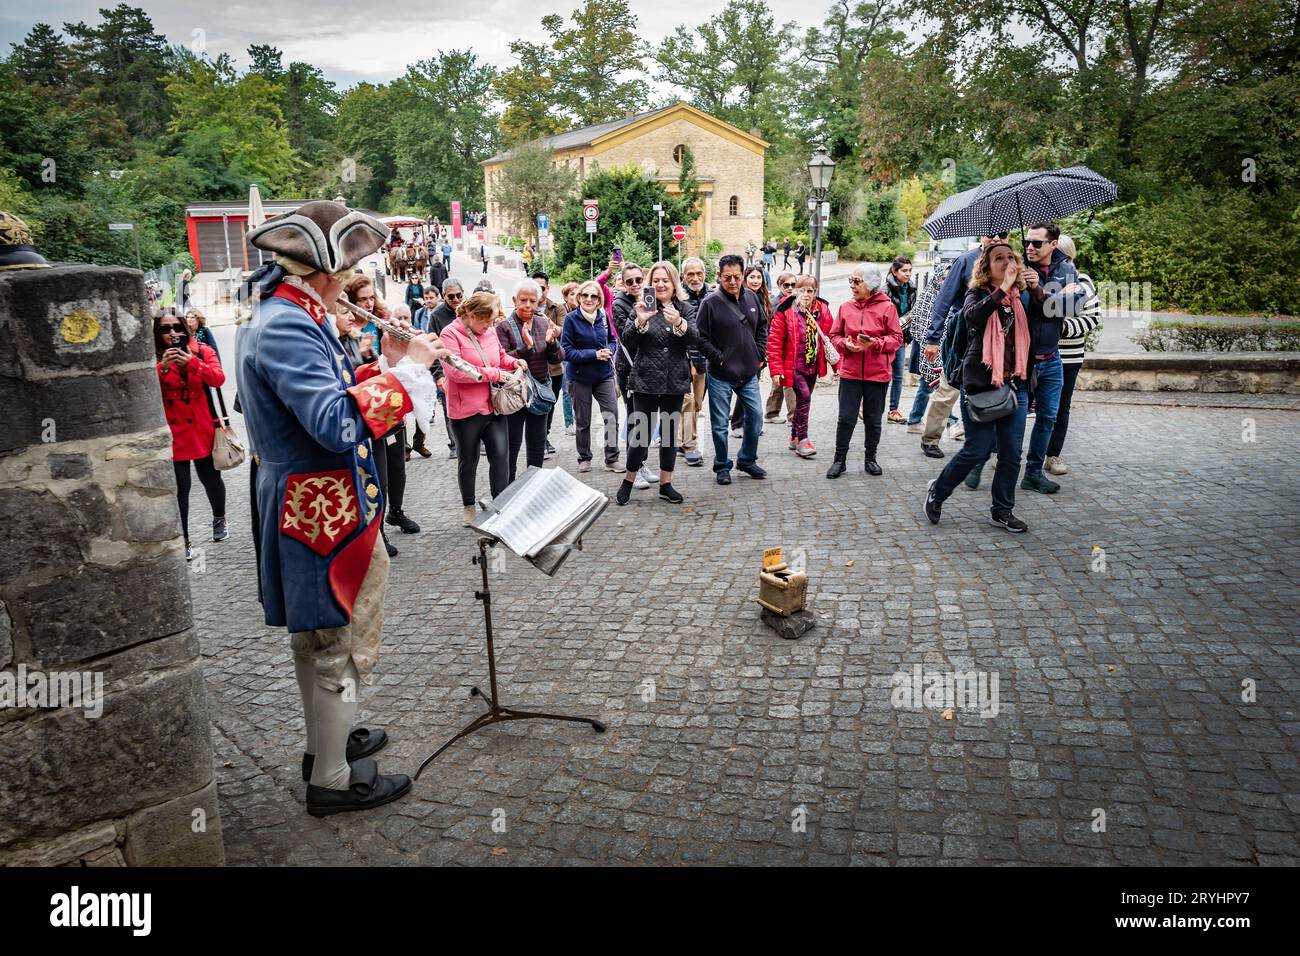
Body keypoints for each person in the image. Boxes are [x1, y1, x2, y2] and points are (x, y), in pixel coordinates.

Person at [237, 199, 447, 815]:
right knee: (340, 638)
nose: (355, 285)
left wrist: (385, 363)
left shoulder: (295, 313)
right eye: (349, 272)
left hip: (319, 500)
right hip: (319, 505)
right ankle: (329, 777)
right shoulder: (287, 323)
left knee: (322, 633)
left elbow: (331, 394)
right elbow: (332, 422)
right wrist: (407, 374)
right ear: (322, 272)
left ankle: (325, 743)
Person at [925, 240, 1042, 532]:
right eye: (998, 258)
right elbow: (973, 317)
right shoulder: (976, 293)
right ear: (987, 268)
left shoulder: (1023, 297)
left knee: (1012, 452)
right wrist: (1003, 290)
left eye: (1009, 257)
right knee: (977, 450)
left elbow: (1049, 319)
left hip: (1017, 383)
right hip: (981, 383)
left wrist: (1037, 288)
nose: (1005, 261)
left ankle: (1002, 510)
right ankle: (938, 492)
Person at [439, 291, 527, 525]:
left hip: (492, 405)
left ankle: (500, 505)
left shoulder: (489, 330)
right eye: (485, 320)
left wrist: (513, 362)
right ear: (470, 314)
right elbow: (456, 371)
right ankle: (468, 505)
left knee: (500, 455)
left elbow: (498, 355)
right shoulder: (449, 334)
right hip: (465, 410)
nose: (489, 325)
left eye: (491, 321)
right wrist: (496, 374)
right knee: (468, 460)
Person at [615, 261, 698, 506]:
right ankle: (628, 480)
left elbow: (695, 339)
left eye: (666, 280)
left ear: (674, 283)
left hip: (674, 380)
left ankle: (666, 484)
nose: (661, 284)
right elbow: (626, 342)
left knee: (670, 435)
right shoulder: (641, 307)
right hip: (645, 380)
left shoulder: (684, 308)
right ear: (650, 284)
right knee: (640, 435)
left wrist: (679, 324)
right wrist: (640, 321)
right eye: (656, 280)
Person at [343, 276, 420, 536]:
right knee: (379, 474)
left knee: (398, 464)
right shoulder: (347, 328)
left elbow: (396, 359)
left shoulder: (380, 324)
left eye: (370, 298)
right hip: (368, 408)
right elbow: (347, 375)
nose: (367, 303)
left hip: (391, 403)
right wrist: (366, 356)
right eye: (361, 299)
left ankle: (395, 512)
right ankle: (378, 531)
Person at [154, 311, 228, 561]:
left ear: (186, 329)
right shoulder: (151, 357)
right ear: (157, 332)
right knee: (179, 488)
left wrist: (193, 364)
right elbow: (140, 391)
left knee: (211, 479)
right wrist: (162, 368)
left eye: (177, 327)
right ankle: (183, 538)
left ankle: (219, 518)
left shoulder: (202, 350)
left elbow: (218, 379)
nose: (172, 333)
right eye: (165, 329)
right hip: (172, 429)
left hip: (201, 425)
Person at [1020, 221, 1085, 495]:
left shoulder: (1066, 270)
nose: (1030, 248)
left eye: (1037, 243)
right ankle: (988, 460)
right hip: (1022, 359)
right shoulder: (1018, 268)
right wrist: (1048, 297)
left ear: (1053, 244)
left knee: (1048, 417)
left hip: (1052, 357)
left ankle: (1033, 473)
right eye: (1027, 243)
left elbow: (1072, 307)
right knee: (1010, 418)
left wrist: (1040, 293)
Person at [696, 254, 768, 485]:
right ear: (719, 277)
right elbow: (700, 338)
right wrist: (719, 359)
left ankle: (746, 460)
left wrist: (759, 353)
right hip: (720, 375)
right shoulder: (710, 303)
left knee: (755, 417)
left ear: (743, 275)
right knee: (719, 425)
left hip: (748, 373)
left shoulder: (752, 298)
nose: (733, 281)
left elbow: (763, 327)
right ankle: (722, 465)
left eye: (737, 276)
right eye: (727, 277)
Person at [828, 266, 902, 478]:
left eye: (857, 281)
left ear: (870, 285)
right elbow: (834, 336)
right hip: (850, 372)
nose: (852, 285)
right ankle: (839, 461)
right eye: (851, 280)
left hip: (877, 373)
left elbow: (896, 339)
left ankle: (871, 458)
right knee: (845, 418)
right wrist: (845, 344)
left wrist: (874, 344)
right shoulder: (845, 307)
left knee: (873, 419)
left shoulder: (887, 308)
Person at [1046, 234, 1102, 476]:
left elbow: (1093, 318)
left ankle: (1053, 455)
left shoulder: (1082, 281)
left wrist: (1061, 328)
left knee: (1061, 408)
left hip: (1069, 357)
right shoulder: (1040, 277)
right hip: (1037, 354)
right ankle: (1001, 451)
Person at [496, 278, 562, 481]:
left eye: (532, 301)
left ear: (539, 301)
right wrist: (525, 348)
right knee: (512, 446)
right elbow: (503, 361)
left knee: (536, 444)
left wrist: (551, 344)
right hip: (515, 393)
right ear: (515, 300)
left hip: (538, 391)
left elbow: (558, 358)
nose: (528, 305)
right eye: (523, 300)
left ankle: (533, 488)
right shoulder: (504, 327)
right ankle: (508, 489)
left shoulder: (544, 323)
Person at [768, 274, 834, 459]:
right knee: (804, 397)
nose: (805, 294)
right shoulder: (785, 310)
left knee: (803, 402)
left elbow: (831, 336)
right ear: (795, 291)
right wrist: (776, 370)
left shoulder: (823, 309)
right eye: (801, 290)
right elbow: (774, 342)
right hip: (793, 366)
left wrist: (837, 367)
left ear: (815, 292)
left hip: (812, 365)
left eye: (810, 290)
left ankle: (794, 437)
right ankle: (803, 439)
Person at [562, 279, 621, 473]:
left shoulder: (603, 316)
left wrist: (609, 351)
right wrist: (593, 354)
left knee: (612, 415)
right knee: (583, 420)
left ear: (598, 300)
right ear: (579, 297)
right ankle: (584, 457)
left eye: (593, 296)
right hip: (579, 377)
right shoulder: (571, 319)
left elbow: (613, 341)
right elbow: (567, 352)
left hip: (604, 375)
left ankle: (612, 458)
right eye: (585, 295)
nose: (589, 299)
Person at [678, 257, 711, 466]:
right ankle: (690, 446)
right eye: (691, 274)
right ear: (683, 276)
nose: (695, 278)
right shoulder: (677, 298)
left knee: (697, 404)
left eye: (699, 273)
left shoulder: (714, 296)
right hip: (682, 360)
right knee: (687, 402)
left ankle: (683, 441)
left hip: (705, 361)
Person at [532, 271, 566, 456]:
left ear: (548, 288)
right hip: (533, 368)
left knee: (549, 404)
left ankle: (544, 436)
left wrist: (546, 322)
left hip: (554, 368)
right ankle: (538, 440)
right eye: (535, 288)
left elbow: (562, 331)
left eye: (542, 288)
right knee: (535, 405)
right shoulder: (526, 308)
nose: (539, 292)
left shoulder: (557, 308)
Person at [763, 271, 800, 424]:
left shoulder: (795, 301)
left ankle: (771, 413)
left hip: (789, 348)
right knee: (788, 383)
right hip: (780, 348)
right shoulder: (777, 303)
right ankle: (794, 417)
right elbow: (770, 328)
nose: (790, 288)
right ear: (779, 286)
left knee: (778, 381)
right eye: (786, 285)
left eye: (793, 285)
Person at [885, 256, 916, 424]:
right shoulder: (885, 289)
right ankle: (867, 405)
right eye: (904, 271)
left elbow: (912, 313)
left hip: (901, 338)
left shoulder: (911, 288)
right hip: (885, 338)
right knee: (881, 375)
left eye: (910, 270)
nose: (908, 274)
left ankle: (893, 410)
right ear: (894, 271)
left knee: (898, 376)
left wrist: (907, 336)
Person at [557, 281, 580, 434]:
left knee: (579, 390)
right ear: (565, 298)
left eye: (578, 293)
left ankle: (580, 419)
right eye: (572, 294)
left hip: (579, 354)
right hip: (564, 355)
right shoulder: (562, 311)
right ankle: (568, 423)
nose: (576, 296)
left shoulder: (584, 309)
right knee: (566, 390)